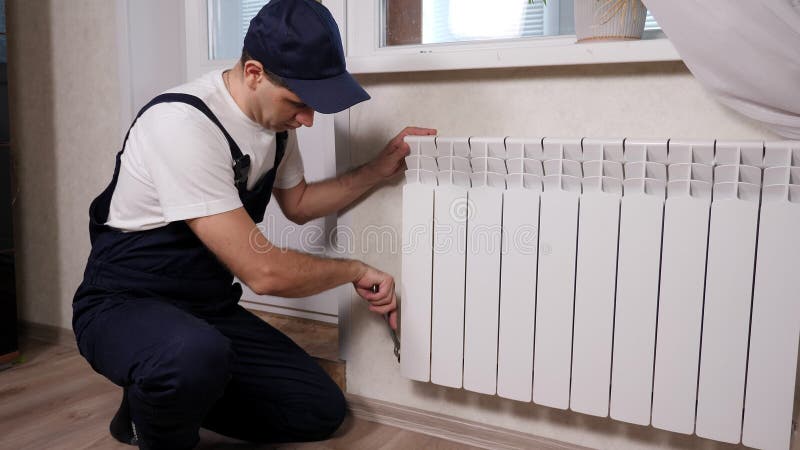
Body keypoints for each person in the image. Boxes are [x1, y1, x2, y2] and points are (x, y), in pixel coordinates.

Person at [71, 1, 435, 448]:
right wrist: (355, 270)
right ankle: (157, 410)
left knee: (318, 410)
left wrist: (377, 170)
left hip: (205, 309)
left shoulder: (275, 129)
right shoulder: (182, 124)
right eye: (299, 103)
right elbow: (264, 273)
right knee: (191, 356)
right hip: (123, 305)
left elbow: (299, 204)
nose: (308, 119)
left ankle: (154, 393)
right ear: (254, 73)